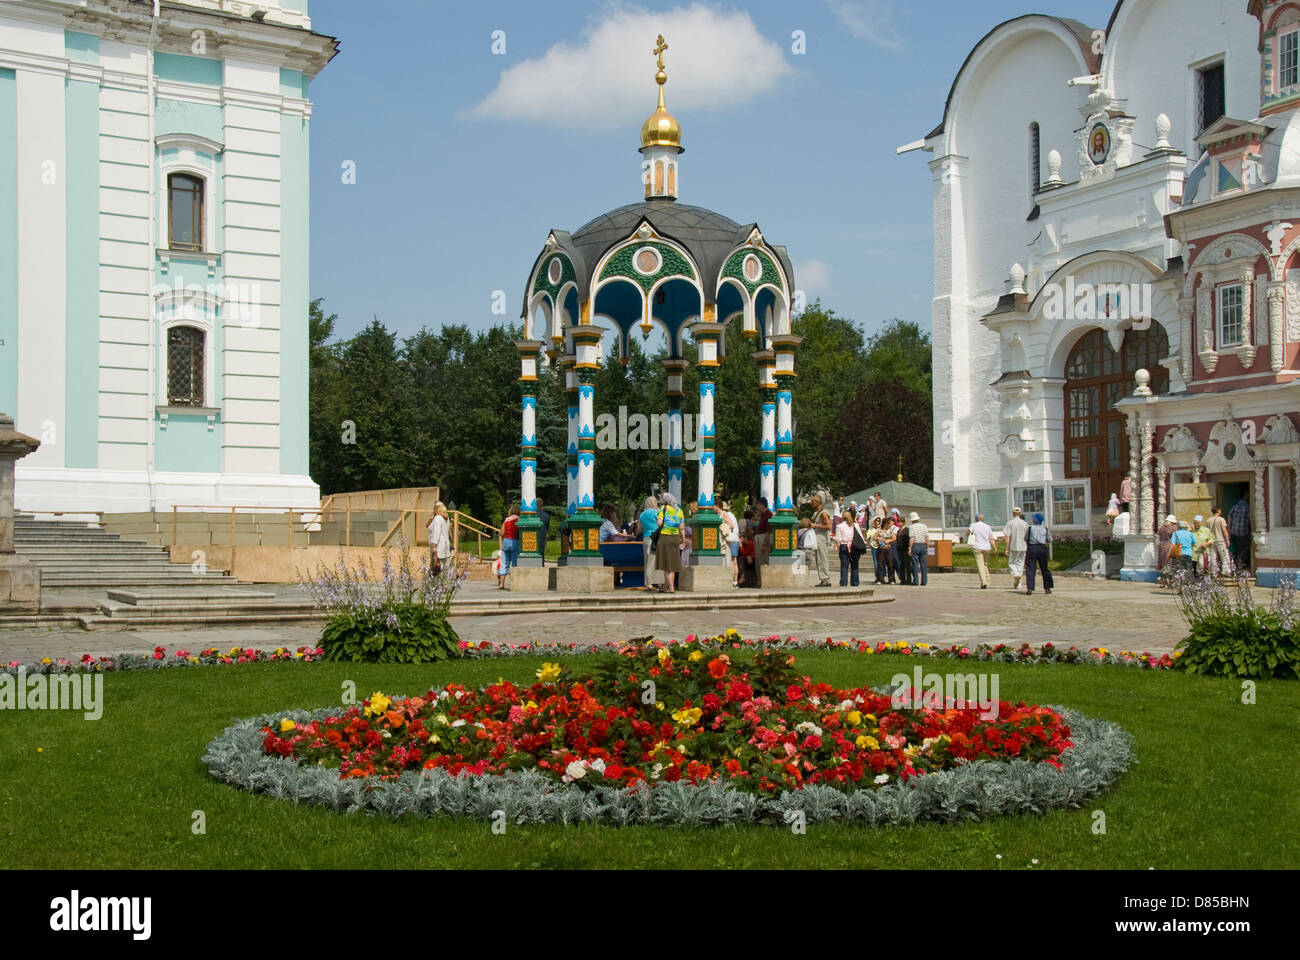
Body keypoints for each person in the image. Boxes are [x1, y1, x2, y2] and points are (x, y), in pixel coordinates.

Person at [656, 492, 685, 593]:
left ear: (665, 501)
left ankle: (671, 587)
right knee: (672, 564)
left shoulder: (663, 508)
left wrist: (659, 518)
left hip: (665, 537)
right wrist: (683, 540)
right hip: (675, 538)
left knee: (666, 566)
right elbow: (682, 528)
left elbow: (659, 523)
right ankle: (665, 587)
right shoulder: (679, 511)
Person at [833, 508, 865, 587]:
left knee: (844, 566)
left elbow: (838, 539)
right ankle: (855, 582)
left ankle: (844, 582)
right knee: (855, 565)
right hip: (855, 546)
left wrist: (834, 539)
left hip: (844, 546)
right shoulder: (855, 525)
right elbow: (860, 536)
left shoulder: (840, 526)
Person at [1024, 512, 1053, 595]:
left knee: (1030, 568)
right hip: (1042, 548)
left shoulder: (1030, 528)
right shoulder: (1045, 528)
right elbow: (1050, 540)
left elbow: (1025, 538)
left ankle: (1030, 588)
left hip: (1032, 548)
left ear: (1035, 520)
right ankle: (1047, 588)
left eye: (1033, 518)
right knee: (1044, 568)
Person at [638, 496, 661, 591]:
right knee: (656, 561)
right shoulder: (657, 513)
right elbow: (661, 524)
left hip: (646, 538)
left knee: (647, 561)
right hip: (656, 538)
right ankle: (656, 583)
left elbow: (639, 529)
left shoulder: (642, 514)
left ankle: (647, 583)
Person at [810, 495, 833, 587]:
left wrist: (816, 526)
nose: (811, 503)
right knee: (819, 559)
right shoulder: (817, 513)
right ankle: (823, 578)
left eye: (813, 501)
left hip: (822, 538)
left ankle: (825, 579)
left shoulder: (823, 513)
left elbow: (829, 526)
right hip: (818, 538)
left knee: (822, 558)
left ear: (817, 502)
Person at [1003, 506, 1028, 590]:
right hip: (1023, 546)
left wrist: (1006, 548)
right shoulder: (1025, 523)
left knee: (1012, 563)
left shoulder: (1010, 523)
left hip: (1014, 545)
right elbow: (1027, 536)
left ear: (1013, 513)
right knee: (1020, 564)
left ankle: (1016, 575)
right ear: (1020, 514)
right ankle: (1019, 583)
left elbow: (1007, 536)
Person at [968, 512, 994, 589]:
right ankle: (987, 580)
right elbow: (991, 538)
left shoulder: (973, 525)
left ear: (976, 519)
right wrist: (995, 547)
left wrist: (969, 535)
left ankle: (984, 582)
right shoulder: (987, 526)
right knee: (985, 565)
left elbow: (968, 532)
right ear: (983, 519)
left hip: (977, 547)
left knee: (980, 565)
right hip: (987, 547)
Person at [719, 499, 741, 588]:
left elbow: (730, 527)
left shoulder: (726, 515)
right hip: (735, 540)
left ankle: (734, 581)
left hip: (731, 540)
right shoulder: (731, 515)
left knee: (732, 561)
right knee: (734, 561)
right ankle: (734, 582)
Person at [498, 503, 520, 590]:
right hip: (515, 542)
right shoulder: (519, 519)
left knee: (504, 563)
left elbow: (501, 533)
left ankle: (501, 584)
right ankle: (514, 583)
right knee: (514, 563)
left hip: (506, 541)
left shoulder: (506, 520)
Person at [426, 501, 451, 575]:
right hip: (445, 544)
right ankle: (444, 580)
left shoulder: (437, 518)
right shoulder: (446, 518)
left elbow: (436, 533)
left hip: (438, 545)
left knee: (436, 567)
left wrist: (434, 546)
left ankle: (435, 581)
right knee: (444, 566)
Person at [1206, 505, 1231, 576]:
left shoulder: (1208, 520)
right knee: (1224, 556)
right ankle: (1225, 571)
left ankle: (1214, 571)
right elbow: (1224, 530)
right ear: (1218, 511)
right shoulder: (1221, 519)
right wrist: (1227, 539)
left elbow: (1207, 531)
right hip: (1220, 540)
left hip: (1212, 541)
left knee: (1213, 557)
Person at [1228, 497, 1251, 571]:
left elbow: (1229, 516)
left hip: (1234, 531)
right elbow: (1250, 518)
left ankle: (1238, 565)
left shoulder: (1235, 506)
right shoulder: (1247, 507)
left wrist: (1229, 528)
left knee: (1240, 547)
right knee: (1248, 546)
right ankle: (1239, 560)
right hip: (1243, 531)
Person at [1157, 513, 1178, 586]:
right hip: (1169, 546)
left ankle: (1162, 580)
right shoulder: (1173, 528)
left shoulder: (1161, 528)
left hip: (1161, 546)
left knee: (1163, 563)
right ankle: (1168, 580)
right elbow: (1176, 537)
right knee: (1169, 563)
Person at [755, 497, 772, 566]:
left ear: (762, 504)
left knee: (763, 560)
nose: (757, 506)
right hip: (759, 538)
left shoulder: (768, 514)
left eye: (758, 504)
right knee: (759, 560)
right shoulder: (762, 514)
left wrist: (764, 544)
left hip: (763, 538)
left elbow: (768, 530)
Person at [895, 514, 911, 586]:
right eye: (898, 522)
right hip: (899, 549)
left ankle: (909, 580)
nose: (898, 523)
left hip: (905, 549)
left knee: (907, 565)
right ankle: (903, 579)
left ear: (903, 522)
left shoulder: (907, 530)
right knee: (901, 565)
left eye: (900, 522)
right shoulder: (898, 530)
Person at [535, 497, 550, 563]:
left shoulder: (532, 515)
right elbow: (547, 528)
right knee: (541, 552)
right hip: (542, 536)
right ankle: (541, 564)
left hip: (531, 536)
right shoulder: (546, 515)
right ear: (542, 505)